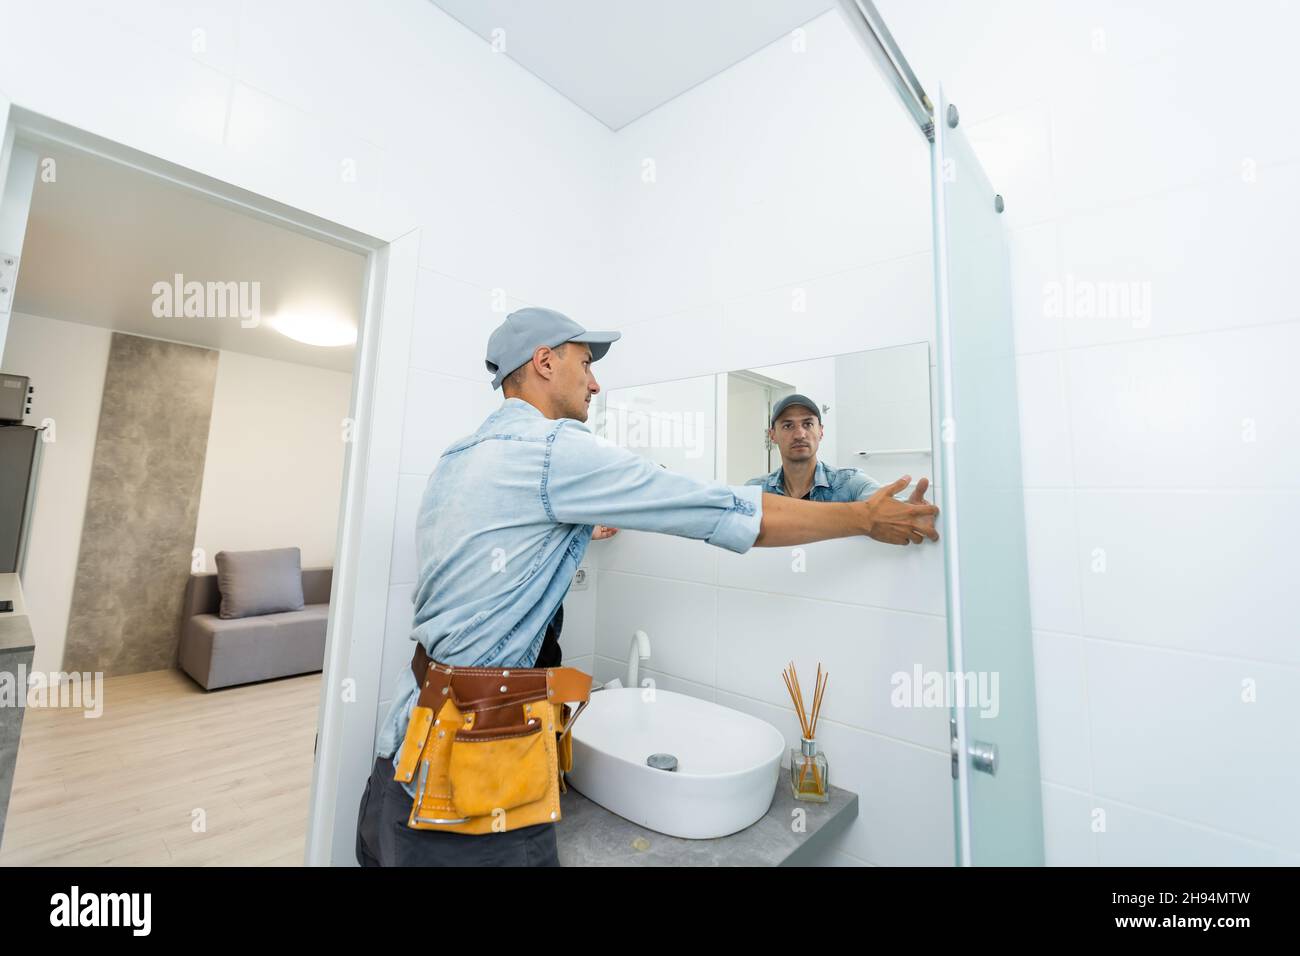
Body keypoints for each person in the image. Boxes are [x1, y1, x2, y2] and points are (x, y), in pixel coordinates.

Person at [355, 307, 939, 867]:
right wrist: (862, 519)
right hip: (472, 778)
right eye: (586, 363)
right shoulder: (554, 451)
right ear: (543, 362)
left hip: (405, 750)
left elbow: (490, 558)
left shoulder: (458, 458)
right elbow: (717, 510)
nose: (596, 383)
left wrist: (573, 529)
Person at [746, 393, 933, 507]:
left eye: (808, 424)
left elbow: (882, 502)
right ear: (772, 435)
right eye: (788, 426)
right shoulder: (756, 490)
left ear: (820, 431)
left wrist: (908, 506)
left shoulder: (849, 483)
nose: (800, 434)